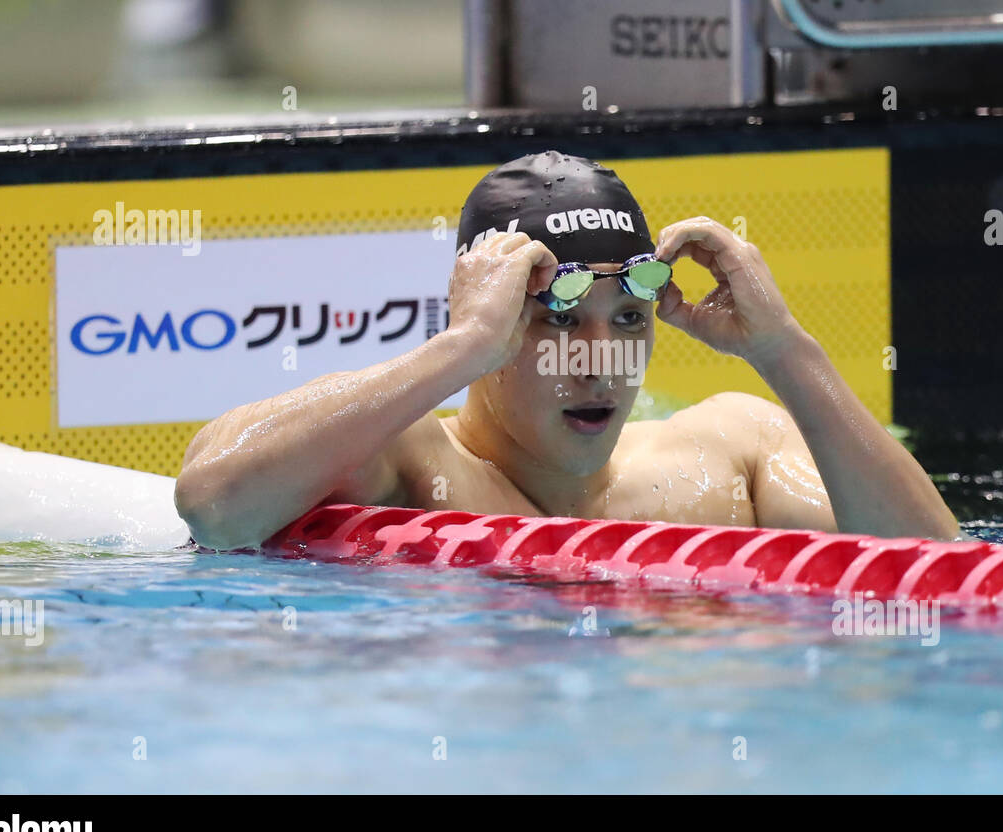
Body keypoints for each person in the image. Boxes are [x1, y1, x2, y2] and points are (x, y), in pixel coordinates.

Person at [176, 151, 958, 550]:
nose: (600, 361)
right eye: (557, 319)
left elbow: (937, 579)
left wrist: (786, 351)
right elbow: (215, 505)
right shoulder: (414, 459)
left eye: (627, 320)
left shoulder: (732, 450)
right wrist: (462, 346)